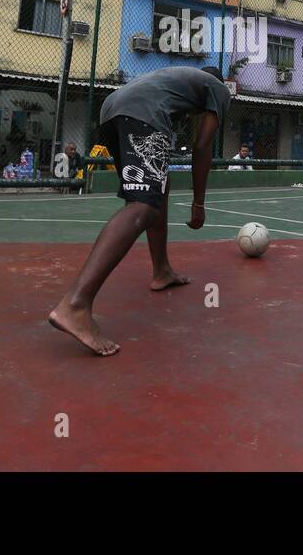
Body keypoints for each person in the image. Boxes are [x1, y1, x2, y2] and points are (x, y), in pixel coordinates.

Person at [49, 65, 232, 356]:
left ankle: (162, 270)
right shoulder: (218, 89)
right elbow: (203, 146)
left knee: (156, 187)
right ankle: (75, 305)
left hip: (112, 108)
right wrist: (199, 203)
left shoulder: (177, 78)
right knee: (143, 204)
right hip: (143, 113)